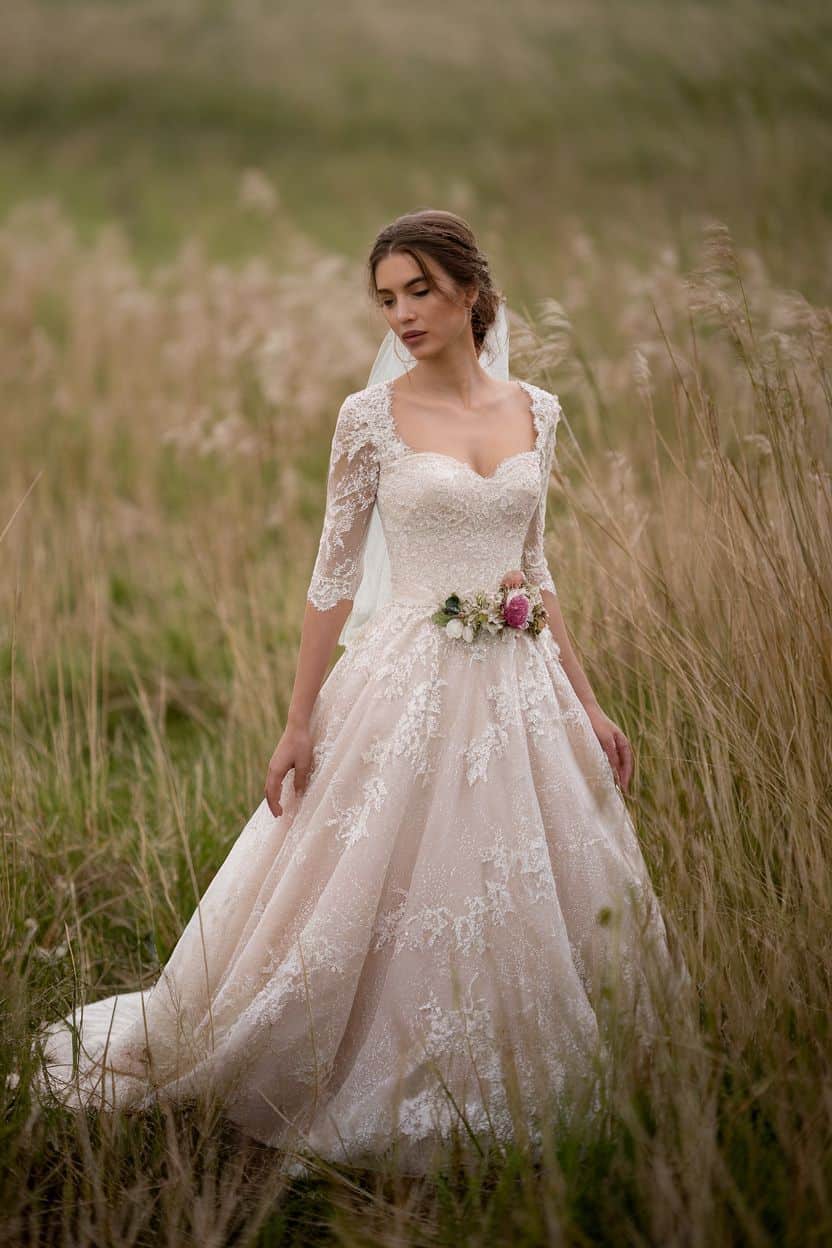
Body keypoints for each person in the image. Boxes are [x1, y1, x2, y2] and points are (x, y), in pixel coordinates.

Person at [34, 209, 689, 1176]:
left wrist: (589, 705)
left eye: (418, 290)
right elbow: (332, 579)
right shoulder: (368, 418)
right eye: (385, 298)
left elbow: (535, 570)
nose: (401, 314)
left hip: (520, 686)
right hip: (403, 679)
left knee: (520, 877)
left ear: (469, 289)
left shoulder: (538, 411)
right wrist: (299, 722)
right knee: (366, 878)